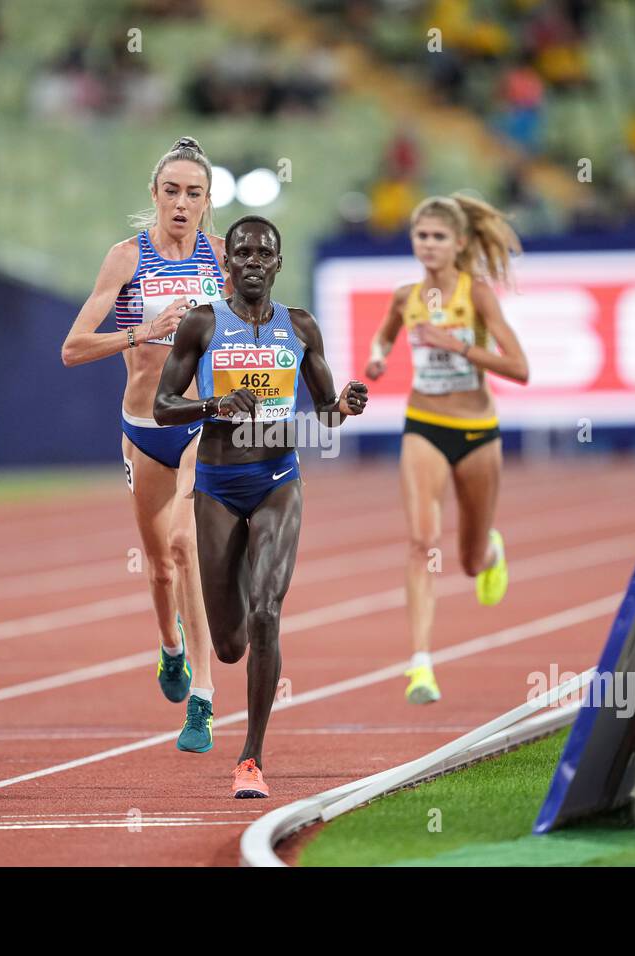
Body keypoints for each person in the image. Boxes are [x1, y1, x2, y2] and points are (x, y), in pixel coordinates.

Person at [154, 215, 368, 797]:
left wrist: (345, 403)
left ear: (278, 262)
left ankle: (250, 758)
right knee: (229, 646)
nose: (252, 260)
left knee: (267, 612)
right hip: (218, 486)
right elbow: (164, 404)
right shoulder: (203, 324)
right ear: (227, 263)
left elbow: (325, 411)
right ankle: (231, 595)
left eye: (263, 252)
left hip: (278, 481)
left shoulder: (299, 328)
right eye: (241, 251)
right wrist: (215, 405)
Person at [60, 137, 223, 752]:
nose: (182, 203)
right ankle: (171, 649)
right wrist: (140, 333)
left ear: (208, 204)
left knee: (186, 547)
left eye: (194, 194)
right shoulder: (127, 258)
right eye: (172, 191)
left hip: (200, 424)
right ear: (154, 196)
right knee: (160, 567)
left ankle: (203, 702)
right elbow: (73, 349)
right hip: (144, 430)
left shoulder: (221, 263)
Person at [364, 193, 529, 705]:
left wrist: (456, 344)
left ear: (459, 243)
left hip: (478, 432)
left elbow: (520, 368)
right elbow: (383, 338)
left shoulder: (477, 293)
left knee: (470, 560)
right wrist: (376, 360)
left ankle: (491, 551)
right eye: (421, 236)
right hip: (424, 426)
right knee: (420, 541)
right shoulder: (403, 296)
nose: (429, 244)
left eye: (438, 236)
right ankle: (420, 665)